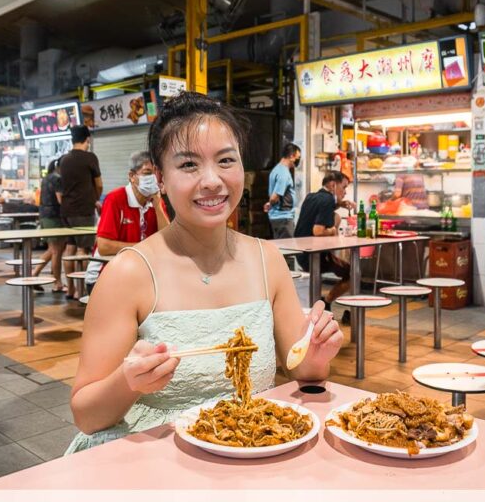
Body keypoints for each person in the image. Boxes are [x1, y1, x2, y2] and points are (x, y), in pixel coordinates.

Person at [66, 92, 342, 452]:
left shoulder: (268, 260)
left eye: (226, 160)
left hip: (250, 449)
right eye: (189, 165)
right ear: (161, 179)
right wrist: (128, 381)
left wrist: (318, 353)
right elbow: (87, 416)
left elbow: (302, 369)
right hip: (149, 459)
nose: (212, 180)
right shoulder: (129, 272)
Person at [84, 151, 170, 294]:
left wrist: (157, 206)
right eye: (147, 173)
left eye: (156, 173)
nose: (153, 178)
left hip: (139, 274)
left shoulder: (157, 203)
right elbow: (104, 246)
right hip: (104, 276)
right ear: (132, 176)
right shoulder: (115, 199)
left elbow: (166, 241)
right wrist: (145, 248)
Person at [294, 171, 352, 321]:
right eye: (343, 187)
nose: (345, 192)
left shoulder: (311, 197)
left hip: (301, 253)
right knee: (351, 273)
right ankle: (325, 303)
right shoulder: (327, 201)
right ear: (333, 185)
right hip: (314, 255)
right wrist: (333, 230)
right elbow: (318, 231)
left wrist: (339, 204)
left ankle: (319, 305)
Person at [59, 125, 103, 299]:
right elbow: (99, 184)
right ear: (88, 139)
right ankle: (82, 291)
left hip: (66, 210)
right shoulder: (89, 157)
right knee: (83, 250)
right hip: (83, 209)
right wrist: (95, 198)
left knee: (69, 248)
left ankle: (70, 288)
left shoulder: (64, 159)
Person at [32, 158, 65, 292]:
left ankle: (34, 274)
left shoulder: (46, 178)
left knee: (53, 249)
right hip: (54, 216)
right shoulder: (57, 178)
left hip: (44, 215)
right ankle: (57, 283)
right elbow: (60, 199)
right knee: (56, 250)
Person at [264, 143, 300, 238]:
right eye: (297, 157)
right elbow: (275, 196)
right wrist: (271, 203)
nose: (297, 161)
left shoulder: (276, 169)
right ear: (292, 156)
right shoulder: (283, 173)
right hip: (283, 218)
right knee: (288, 250)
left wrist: (270, 204)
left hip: (279, 217)